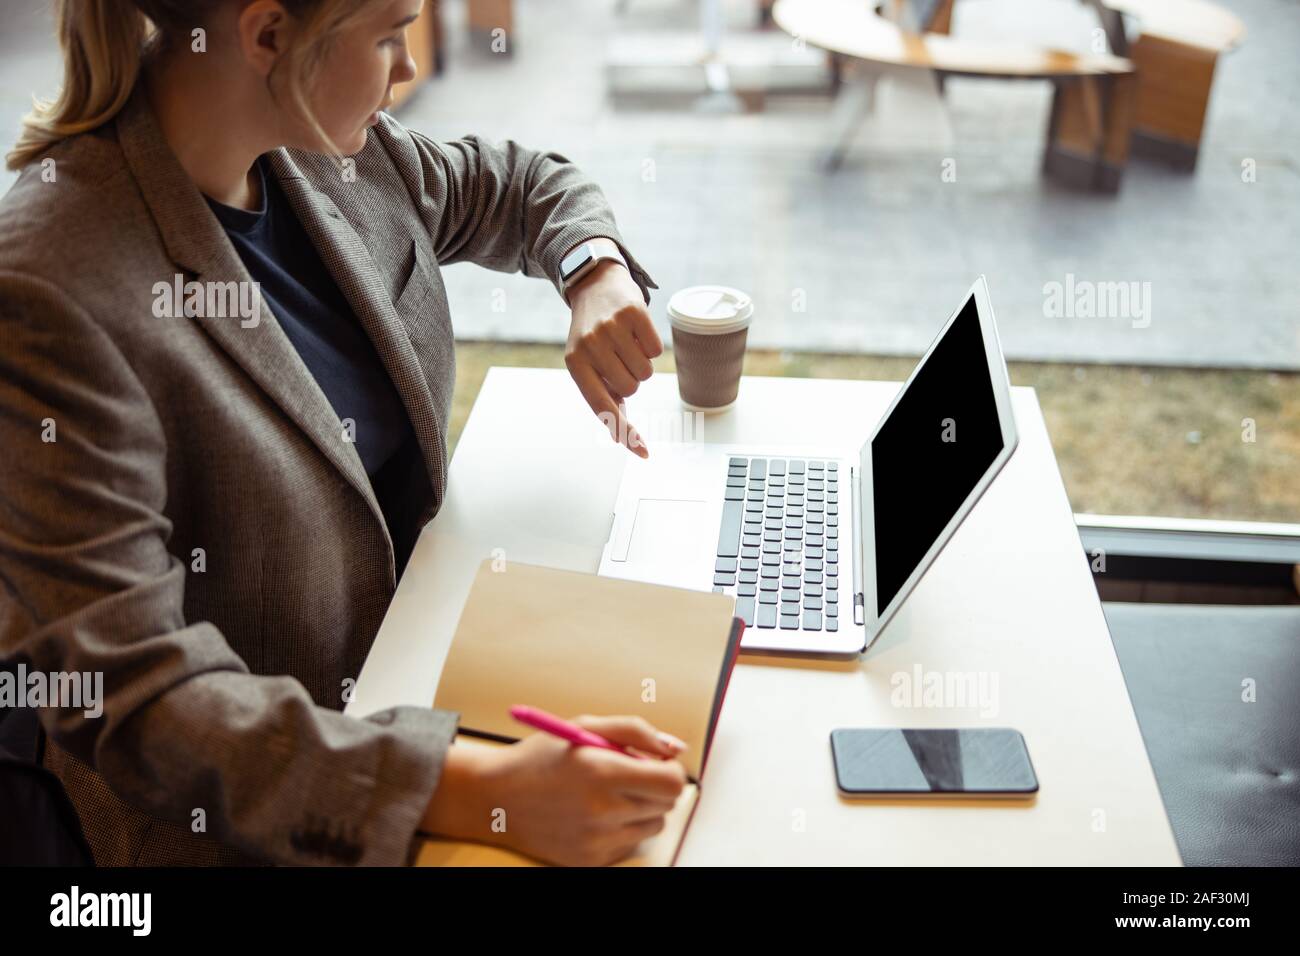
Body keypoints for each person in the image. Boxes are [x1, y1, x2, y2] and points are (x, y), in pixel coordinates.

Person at [0, 0, 687, 867]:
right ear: (269, 36)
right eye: (390, 34)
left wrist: (592, 267)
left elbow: (517, 183)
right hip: (263, 816)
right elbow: (141, 700)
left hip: (422, 666)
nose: (406, 69)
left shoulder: (319, 148)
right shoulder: (49, 294)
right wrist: (477, 790)